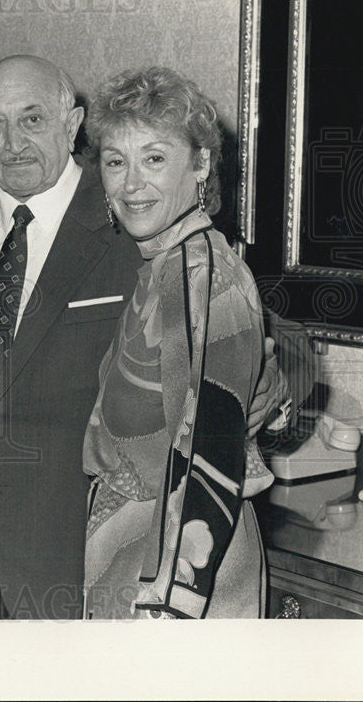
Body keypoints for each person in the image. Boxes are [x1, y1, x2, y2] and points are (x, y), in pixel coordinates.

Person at [0, 55, 280, 619]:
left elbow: (239, 389)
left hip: (96, 561)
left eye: (34, 118)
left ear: (72, 125)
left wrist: (268, 390)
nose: (13, 141)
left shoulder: (149, 230)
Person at [82, 67, 274, 619]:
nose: (131, 182)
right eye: (116, 161)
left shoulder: (202, 276)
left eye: (155, 158)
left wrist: (166, 605)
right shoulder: (167, 265)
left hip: (180, 577)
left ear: (201, 164)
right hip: (136, 552)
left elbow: (206, 453)